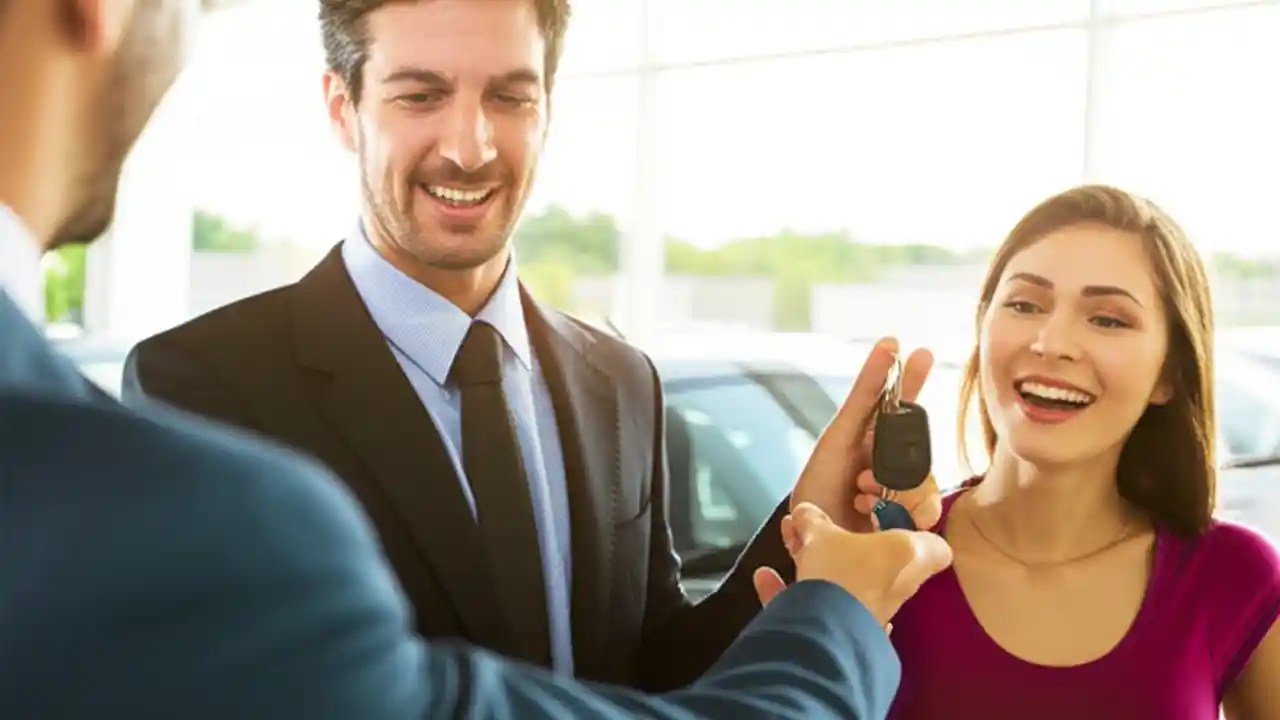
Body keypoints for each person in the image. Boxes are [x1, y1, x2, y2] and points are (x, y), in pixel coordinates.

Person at [0, 1, 962, 717]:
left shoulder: (618, 379)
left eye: (510, 97)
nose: (470, 146)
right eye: (421, 95)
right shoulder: (203, 384)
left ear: (547, 109)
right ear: (342, 108)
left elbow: (649, 673)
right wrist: (834, 623)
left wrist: (804, 532)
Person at [877, 185, 1280, 719]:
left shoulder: (1233, 576)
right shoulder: (882, 556)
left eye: (1108, 319)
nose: (1051, 343)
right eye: (1024, 304)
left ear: (1169, 373)